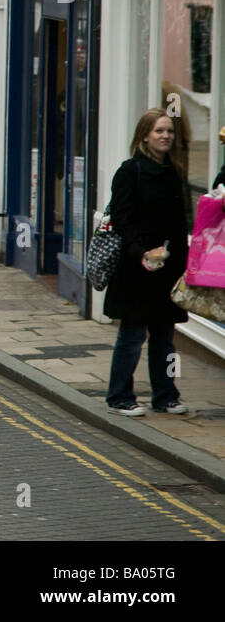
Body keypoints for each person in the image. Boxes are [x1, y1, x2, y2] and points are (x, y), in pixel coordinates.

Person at [104, 109, 190, 417]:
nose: (166, 136)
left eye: (169, 131)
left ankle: (165, 395)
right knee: (133, 334)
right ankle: (119, 396)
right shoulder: (130, 171)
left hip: (169, 268)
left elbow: (182, 222)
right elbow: (121, 220)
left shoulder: (175, 172)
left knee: (165, 336)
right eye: (159, 131)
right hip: (137, 268)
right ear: (144, 136)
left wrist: (185, 262)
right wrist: (141, 252)